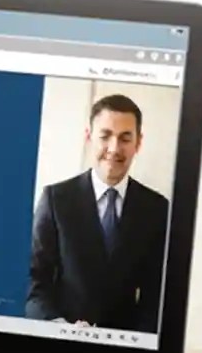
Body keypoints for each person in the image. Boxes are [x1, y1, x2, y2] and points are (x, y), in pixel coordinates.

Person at [26, 94, 169, 332]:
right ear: (89, 137)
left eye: (125, 138)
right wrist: (57, 326)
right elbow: (32, 279)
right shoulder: (55, 199)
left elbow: (157, 297)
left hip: (124, 350)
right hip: (60, 343)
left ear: (138, 143)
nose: (114, 149)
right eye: (105, 136)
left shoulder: (157, 208)